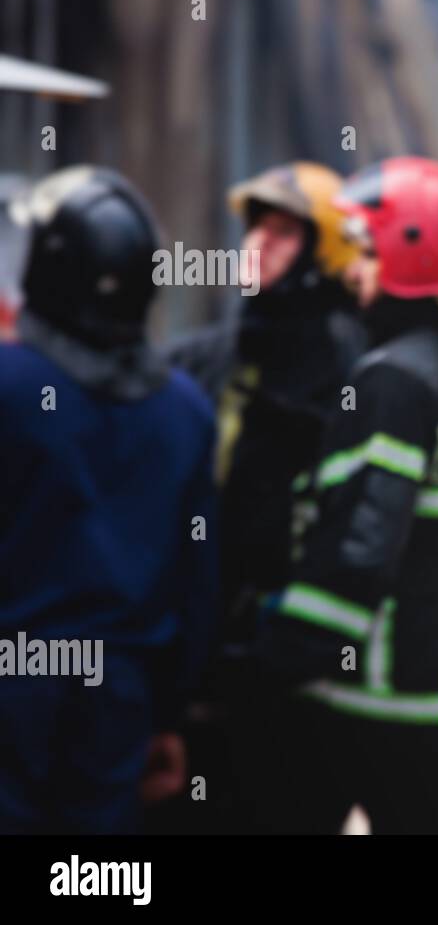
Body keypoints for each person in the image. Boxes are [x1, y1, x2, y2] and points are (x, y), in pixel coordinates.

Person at [242, 157, 438, 833]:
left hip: (359, 704)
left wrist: (272, 660)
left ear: (407, 252)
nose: (352, 270)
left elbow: (360, 545)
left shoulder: (389, 380)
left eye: (366, 250)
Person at [0, 166, 218, 833]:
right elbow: (196, 579)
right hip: (121, 695)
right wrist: (171, 712)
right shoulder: (186, 407)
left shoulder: (11, 384)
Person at [156, 162, 367, 832]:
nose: (259, 244)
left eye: (284, 231)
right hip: (192, 662)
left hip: (294, 685)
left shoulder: (355, 374)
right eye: (256, 228)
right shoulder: (198, 360)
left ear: (324, 249)